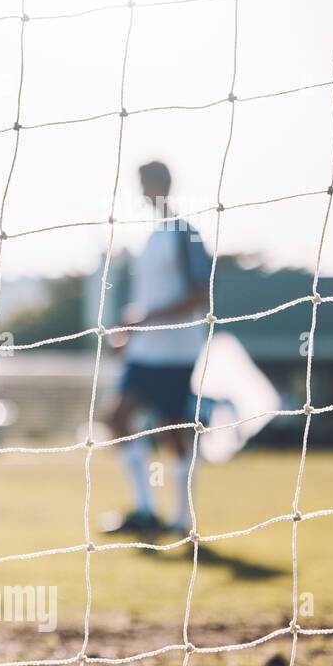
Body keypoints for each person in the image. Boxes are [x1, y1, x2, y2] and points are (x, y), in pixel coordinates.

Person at [104, 161, 212, 539]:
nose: (142, 191)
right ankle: (145, 509)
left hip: (176, 350)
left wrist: (146, 319)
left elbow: (201, 294)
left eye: (145, 183)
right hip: (145, 350)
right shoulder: (151, 236)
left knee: (171, 429)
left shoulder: (186, 233)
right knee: (118, 417)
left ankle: (182, 519)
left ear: (162, 184)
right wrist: (132, 333)